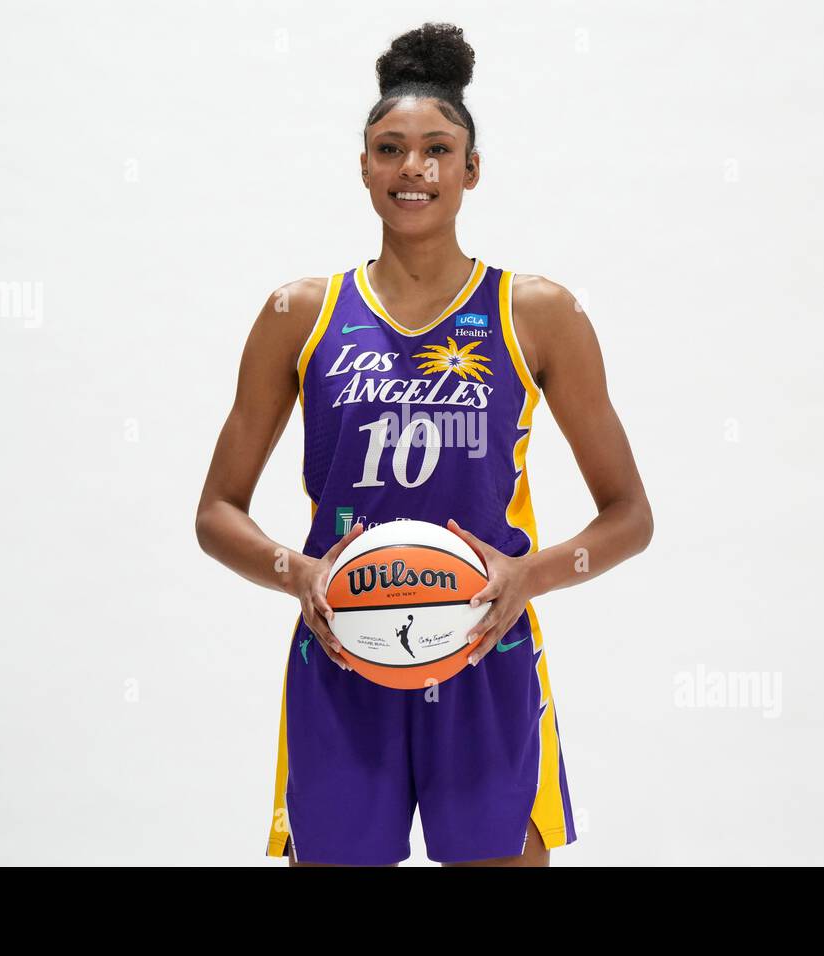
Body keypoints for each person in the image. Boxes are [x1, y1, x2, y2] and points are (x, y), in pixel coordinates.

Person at [195, 22, 653, 867]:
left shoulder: (535, 311)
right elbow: (216, 512)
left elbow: (630, 516)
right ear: (363, 166)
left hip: (489, 647)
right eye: (390, 148)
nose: (415, 168)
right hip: (344, 649)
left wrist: (528, 577)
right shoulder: (300, 313)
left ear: (471, 169)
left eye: (438, 149)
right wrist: (299, 573)